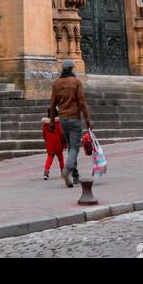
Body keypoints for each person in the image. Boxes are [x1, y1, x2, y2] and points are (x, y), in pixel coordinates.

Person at [47, 58, 92, 188]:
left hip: (62, 120)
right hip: (74, 119)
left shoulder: (56, 83)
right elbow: (82, 102)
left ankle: (75, 175)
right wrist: (88, 120)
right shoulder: (76, 82)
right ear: (72, 68)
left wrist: (51, 122)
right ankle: (67, 170)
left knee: (71, 147)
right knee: (74, 148)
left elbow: (52, 104)